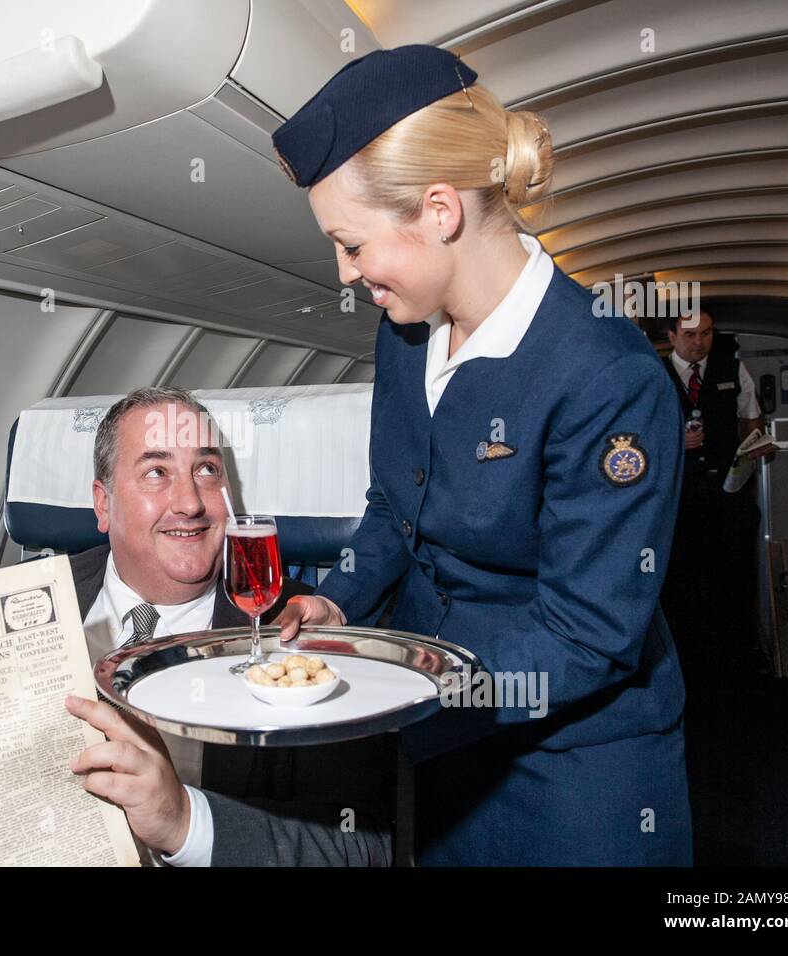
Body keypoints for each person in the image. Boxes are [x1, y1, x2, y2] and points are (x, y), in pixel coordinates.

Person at [268, 44, 692, 865]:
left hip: (571, 763)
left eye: (351, 244)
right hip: (432, 738)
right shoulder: (403, 334)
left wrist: (394, 689)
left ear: (439, 210)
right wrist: (338, 603)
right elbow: (396, 505)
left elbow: (587, 635)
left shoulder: (606, 374)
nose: (345, 273)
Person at [63, 386, 393, 865]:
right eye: (156, 472)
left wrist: (186, 824)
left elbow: (364, 843)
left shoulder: (298, 633)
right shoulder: (35, 596)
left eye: (206, 470)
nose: (190, 503)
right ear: (103, 503)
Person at [660, 309, 774, 662]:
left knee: (733, 570)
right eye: (690, 335)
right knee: (683, 574)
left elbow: (751, 419)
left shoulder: (732, 369)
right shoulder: (653, 373)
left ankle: (737, 651)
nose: (699, 342)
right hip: (677, 495)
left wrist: (756, 443)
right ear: (672, 337)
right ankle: (686, 655)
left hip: (727, 490)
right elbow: (637, 434)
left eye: (706, 333)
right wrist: (673, 441)